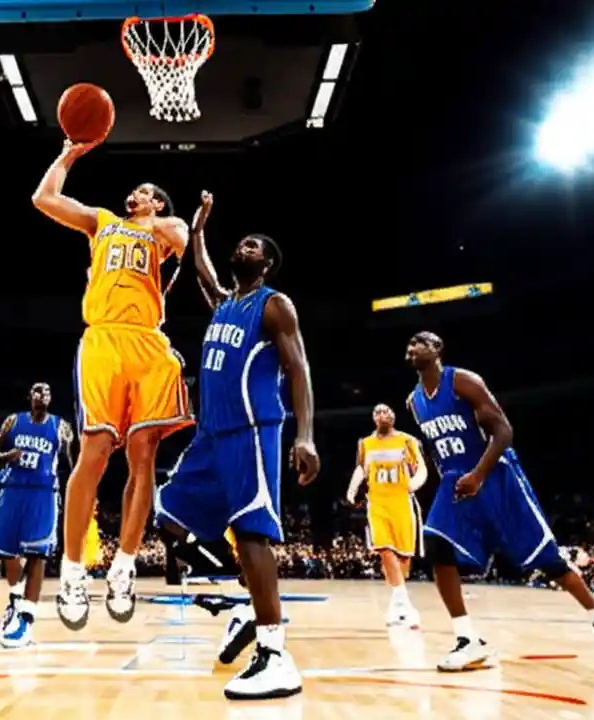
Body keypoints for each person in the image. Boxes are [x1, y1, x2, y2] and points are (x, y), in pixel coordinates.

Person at [155, 191, 319, 700]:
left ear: (265, 263)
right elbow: (202, 271)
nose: (244, 247)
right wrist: (200, 227)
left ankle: (275, 654)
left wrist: (306, 435)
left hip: (251, 429)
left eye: (253, 246)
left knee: (251, 533)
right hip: (210, 435)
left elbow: (298, 368)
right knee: (169, 514)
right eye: (242, 243)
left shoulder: (273, 305)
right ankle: (240, 603)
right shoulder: (227, 303)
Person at [32, 138, 193, 628]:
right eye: (134, 191)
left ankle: (124, 567)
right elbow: (44, 199)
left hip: (148, 341)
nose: (134, 194)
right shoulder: (101, 222)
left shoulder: (165, 230)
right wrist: (68, 155)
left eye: (143, 191)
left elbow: (186, 236)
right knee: (96, 449)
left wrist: (154, 220)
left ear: (157, 202)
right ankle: (74, 569)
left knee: (143, 453)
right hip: (102, 340)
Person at [404, 333, 594, 673]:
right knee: (437, 546)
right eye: (408, 344)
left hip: (496, 475)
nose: (411, 348)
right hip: (456, 481)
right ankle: (468, 640)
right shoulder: (414, 402)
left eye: (419, 342)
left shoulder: (462, 381)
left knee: (548, 561)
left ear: (437, 350)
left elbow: (504, 430)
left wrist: (479, 474)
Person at [0, 382, 76, 647]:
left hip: (43, 494)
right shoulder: (13, 421)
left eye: (47, 391)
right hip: (12, 491)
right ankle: (15, 600)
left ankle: (26, 620)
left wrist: (76, 495)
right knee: (4, 552)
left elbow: (73, 464)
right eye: (37, 391)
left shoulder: (61, 427)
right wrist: (7, 456)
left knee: (38, 555)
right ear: (30, 396)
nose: (42, 395)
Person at [346, 403, 426, 628]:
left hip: (402, 503)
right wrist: (352, 490)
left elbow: (421, 467)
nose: (382, 415)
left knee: (403, 558)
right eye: (377, 412)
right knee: (385, 551)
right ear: (373, 418)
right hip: (377, 504)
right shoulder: (366, 444)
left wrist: (415, 483)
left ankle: (396, 603)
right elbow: (361, 469)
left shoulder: (407, 441)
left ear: (393, 417)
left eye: (386, 411)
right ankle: (407, 607)